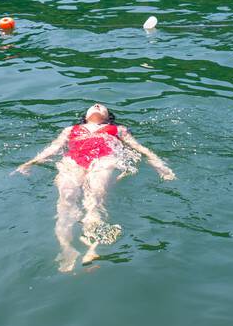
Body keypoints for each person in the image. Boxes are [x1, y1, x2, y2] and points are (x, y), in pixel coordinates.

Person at [13, 103, 176, 271]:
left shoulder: (118, 130)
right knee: (65, 202)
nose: (97, 105)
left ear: (108, 117)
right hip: (73, 163)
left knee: (95, 199)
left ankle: (93, 247)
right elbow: (54, 148)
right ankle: (66, 248)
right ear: (85, 117)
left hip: (103, 161)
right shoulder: (70, 129)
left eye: (101, 107)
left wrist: (160, 166)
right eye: (93, 106)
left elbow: (140, 148)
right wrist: (30, 163)